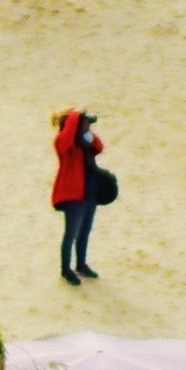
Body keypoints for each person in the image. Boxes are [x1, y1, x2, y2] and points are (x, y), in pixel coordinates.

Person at [51, 106, 113, 287]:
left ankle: (81, 264)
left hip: (89, 191)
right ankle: (65, 269)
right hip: (72, 194)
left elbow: (99, 147)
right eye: (84, 123)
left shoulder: (83, 140)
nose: (87, 125)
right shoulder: (62, 141)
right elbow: (65, 141)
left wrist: (87, 133)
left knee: (84, 231)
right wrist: (74, 117)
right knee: (71, 233)